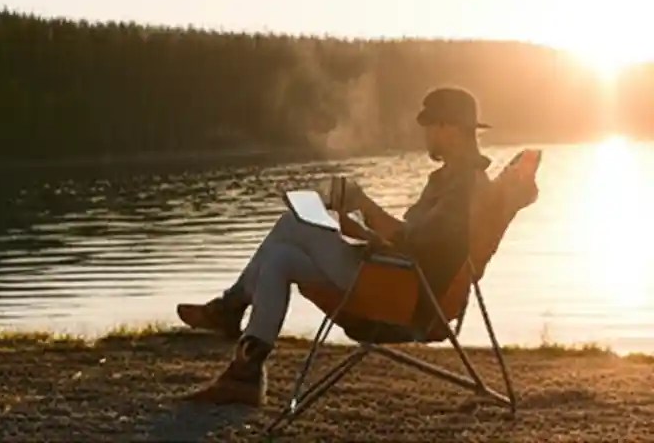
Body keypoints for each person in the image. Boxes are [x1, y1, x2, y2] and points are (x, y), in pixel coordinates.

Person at [175, 86, 496, 406]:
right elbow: (417, 241)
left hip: (403, 293)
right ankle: (244, 376)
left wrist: (364, 205)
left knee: (293, 224)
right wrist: (361, 229)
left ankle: (229, 308)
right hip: (395, 277)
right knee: (280, 258)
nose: (425, 134)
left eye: (429, 126)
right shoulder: (449, 180)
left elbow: (416, 244)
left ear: (449, 128)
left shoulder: (465, 186)